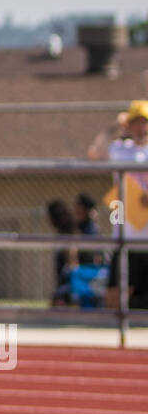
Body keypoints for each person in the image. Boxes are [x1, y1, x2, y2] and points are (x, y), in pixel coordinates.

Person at [87, 100, 148, 310]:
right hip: (126, 232)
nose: (141, 128)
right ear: (129, 126)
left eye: (145, 122)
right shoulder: (121, 149)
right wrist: (115, 125)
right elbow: (95, 152)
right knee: (113, 298)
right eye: (136, 122)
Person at [46, 199, 77, 305]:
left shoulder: (68, 234)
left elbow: (72, 262)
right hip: (63, 278)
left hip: (69, 280)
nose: (48, 220)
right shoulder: (62, 234)